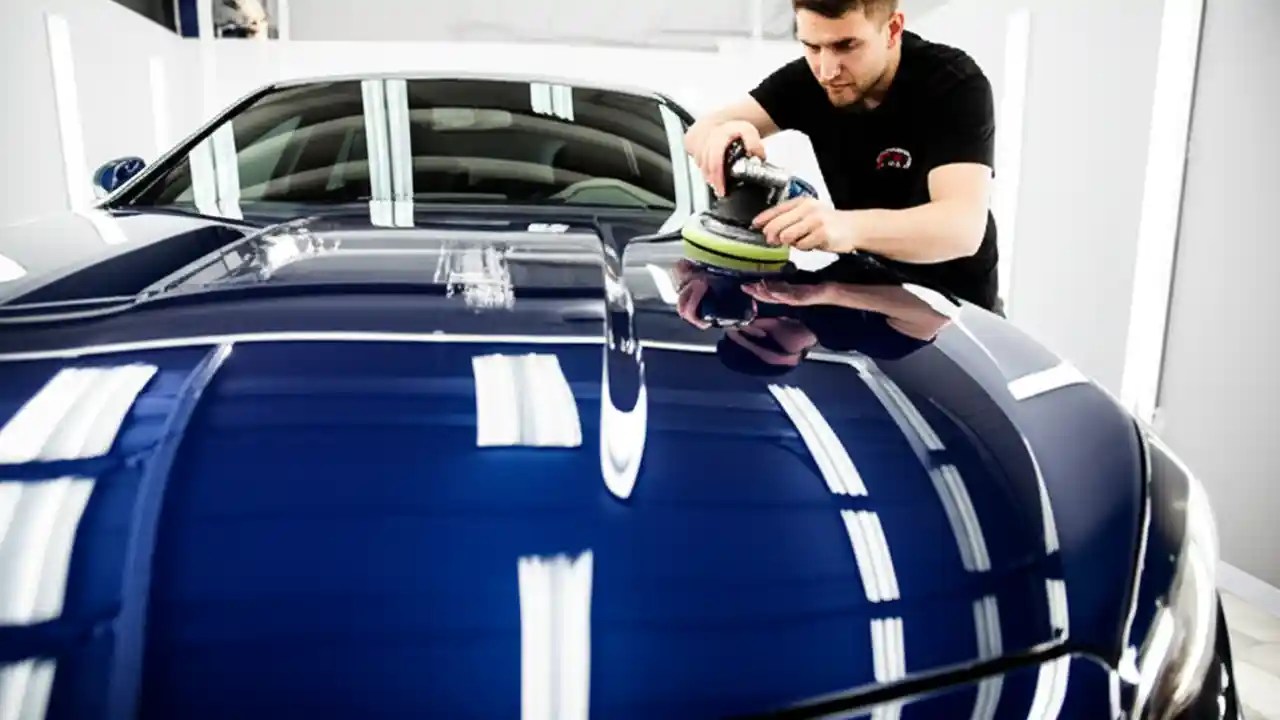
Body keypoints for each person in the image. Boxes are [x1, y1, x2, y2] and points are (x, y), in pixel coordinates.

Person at [683, 0, 1002, 313]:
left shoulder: (953, 84)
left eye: (846, 45)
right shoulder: (810, 81)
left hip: (954, 313)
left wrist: (844, 227)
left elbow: (960, 230)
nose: (827, 71)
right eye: (811, 46)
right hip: (864, 295)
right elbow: (698, 131)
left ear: (892, 30)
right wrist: (730, 133)